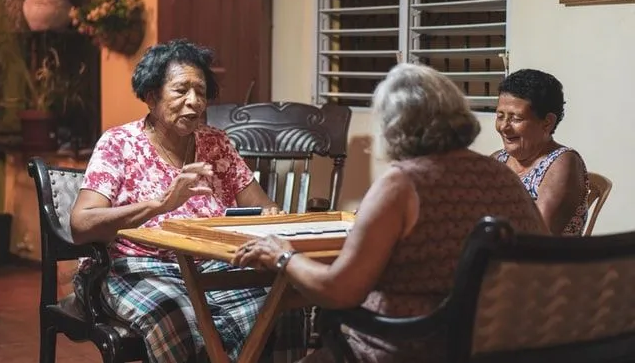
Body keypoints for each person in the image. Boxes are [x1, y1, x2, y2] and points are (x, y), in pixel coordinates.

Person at [231, 63, 549, 363]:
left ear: (394, 126)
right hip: (495, 348)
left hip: (408, 348)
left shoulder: (404, 183)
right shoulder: (501, 175)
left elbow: (338, 290)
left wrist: (283, 256)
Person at [69, 39, 306, 363]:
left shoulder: (215, 142)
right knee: (177, 318)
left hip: (209, 262)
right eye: (181, 91)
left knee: (281, 304)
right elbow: (81, 224)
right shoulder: (119, 143)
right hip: (131, 265)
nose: (194, 102)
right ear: (152, 96)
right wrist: (161, 203)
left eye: (201, 92)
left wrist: (270, 215)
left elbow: (263, 208)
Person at [493, 69, 589, 235]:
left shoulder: (563, 162)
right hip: (499, 256)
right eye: (500, 116)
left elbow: (537, 235)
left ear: (547, 122)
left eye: (516, 118)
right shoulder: (498, 159)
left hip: (544, 259)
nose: (504, 127)